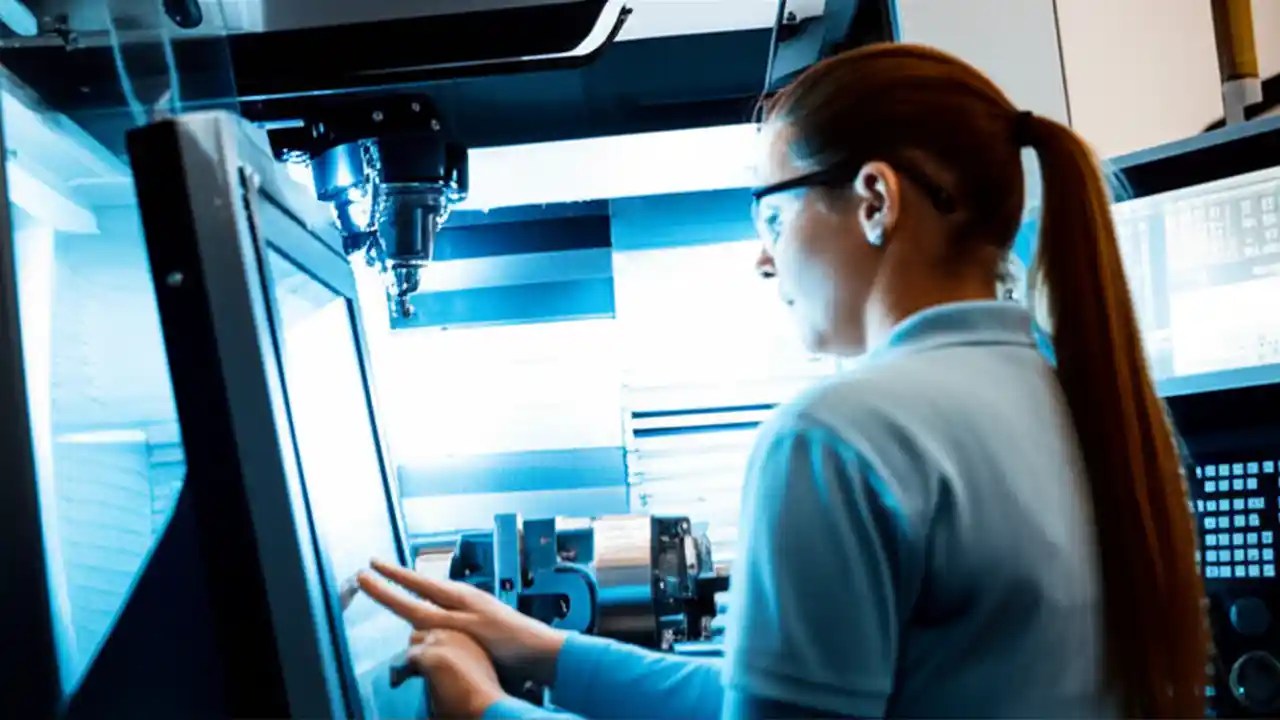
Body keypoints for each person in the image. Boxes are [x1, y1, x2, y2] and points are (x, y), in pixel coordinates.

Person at [359, 42, 1208, 719]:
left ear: (876, 199)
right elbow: (791, 701)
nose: (765, 256)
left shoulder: (841, 438)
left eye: (771, 211)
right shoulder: (1093, 409)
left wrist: (481, 711)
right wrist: (545, 653)